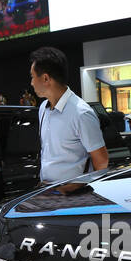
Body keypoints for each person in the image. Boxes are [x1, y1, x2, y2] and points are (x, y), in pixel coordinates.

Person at [29, 46, 107, 184]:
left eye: (33, 77)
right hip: (46, 190)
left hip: (74, 194)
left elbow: (101, 162)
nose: (31, 83)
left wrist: (76, 188)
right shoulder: (43, 109)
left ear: (46, 78)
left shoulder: (81, 113)